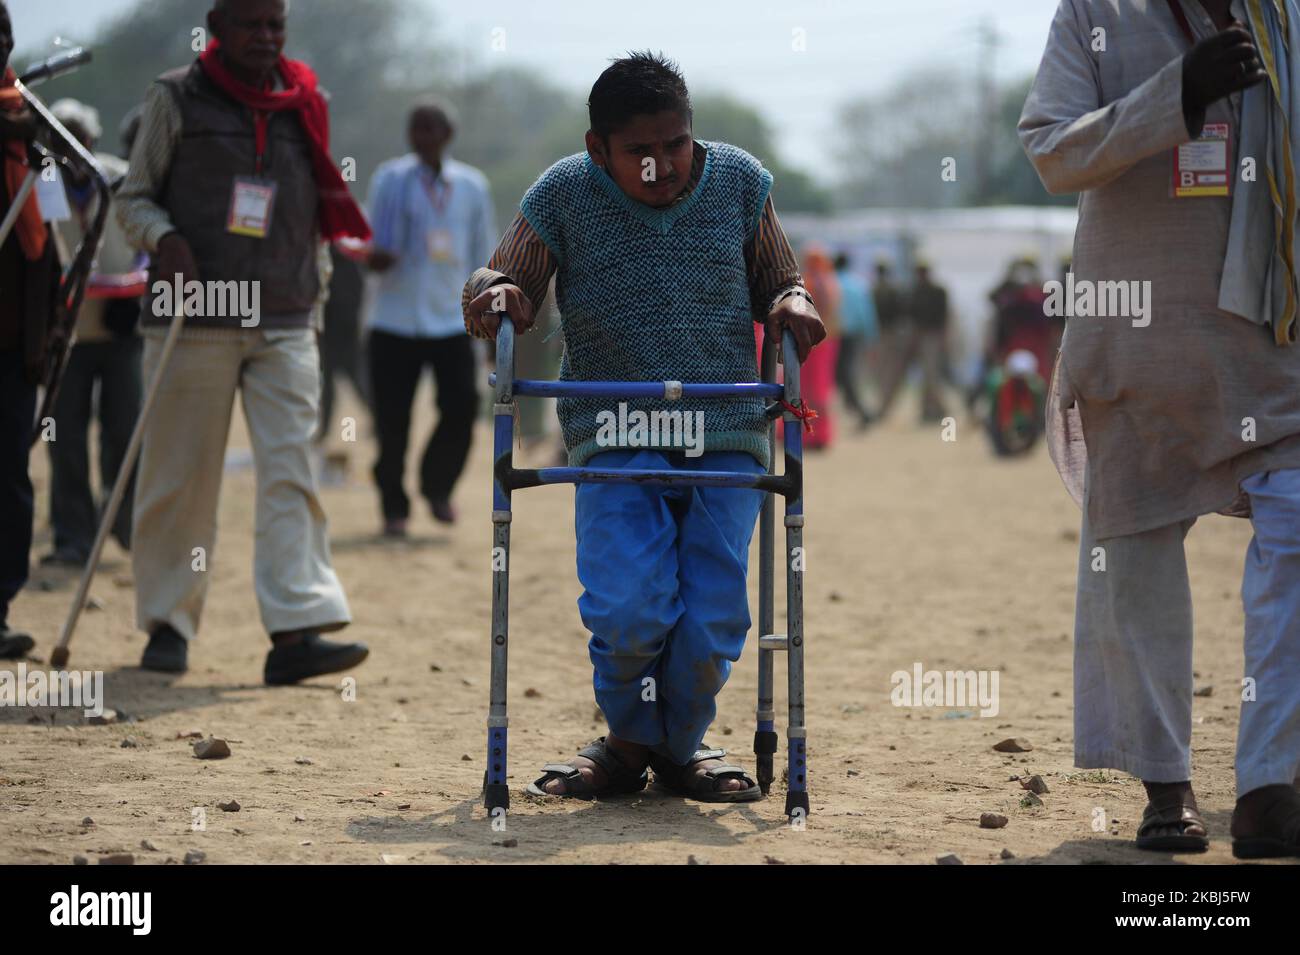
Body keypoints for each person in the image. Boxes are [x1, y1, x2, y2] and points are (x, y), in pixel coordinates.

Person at [463, 51, 825, 801]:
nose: (661, 166)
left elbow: (780, 279)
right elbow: (494, 277)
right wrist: (496, 292)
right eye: (640, 153)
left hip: (725, 433)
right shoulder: (564, 193)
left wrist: (793, 301)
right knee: (629, 606)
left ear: (693, 134)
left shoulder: (740, 183)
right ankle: (632, 739)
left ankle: (674, 745)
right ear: (599, 149)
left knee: (716, 614)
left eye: (675, 146)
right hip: (614, 431)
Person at [1021, 0, 1300, 857]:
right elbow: (1052, 151)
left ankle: (1268, 786)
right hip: (1136, 345)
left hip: (1270, 342)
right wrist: (1171, 94)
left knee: (1296, 540)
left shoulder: (1286, 18)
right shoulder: (1096, 16)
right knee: (1135, 568)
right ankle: (1166, 786)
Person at [114, 0, 371, 684]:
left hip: (285, 318)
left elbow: (317, 211)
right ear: (216, 28)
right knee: (180, 477)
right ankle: (167, 623)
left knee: (291, 471)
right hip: (192, 318)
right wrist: (164, 238)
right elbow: (132, 197)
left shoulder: (304, 98)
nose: (266, 37)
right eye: (251, 24)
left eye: (276, 25)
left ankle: (295, 629)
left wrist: (314, 296)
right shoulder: (174, 97)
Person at [365, 100, 493, 534]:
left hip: (451, 318)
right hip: (394, 317)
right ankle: (393, 506)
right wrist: (373, 256)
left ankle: (437, 486)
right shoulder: (390, 179)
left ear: (448, 134)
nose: (422, 137)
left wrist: (489, 319)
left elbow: (482, 252)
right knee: (391, 419)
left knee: (462, 406)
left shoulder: (472, 186)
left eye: (431, 128)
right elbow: (372, 242)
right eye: (415, 128)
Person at [42, 98, 143, 569]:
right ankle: (72, 537)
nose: (68, 146)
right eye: (57, 135)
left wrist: (136, 290)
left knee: (124, 432)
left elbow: (149, 239)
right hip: (67, 336)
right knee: (65, 439)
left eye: (76, 135)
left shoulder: (122, 179)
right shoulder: (38, 186)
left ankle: (125, 526)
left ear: (91, 139)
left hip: (123, 330)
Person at [0, 0, 58, 659]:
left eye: (5, 35)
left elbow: (50, 243)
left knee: (9, 476)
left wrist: (45, 333)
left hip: (15, 343)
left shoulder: (28, 131)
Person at [832, 251, 877, 429]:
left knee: (842, 375)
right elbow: (867, 314)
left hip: (835, 336)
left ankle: (860, 410)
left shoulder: (832, 283)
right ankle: (857, 409)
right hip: (854, 336)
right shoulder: (858, 285)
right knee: (844, 374)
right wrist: (871, 337)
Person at [909, 262, 950, 423]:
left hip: (933, 336)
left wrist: (944, 339)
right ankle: (928, 409)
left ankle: (937, 408)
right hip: (920, 336)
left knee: (931, 375)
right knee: (926, 376)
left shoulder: (938, 291)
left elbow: (944, 317)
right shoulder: (916, 291)